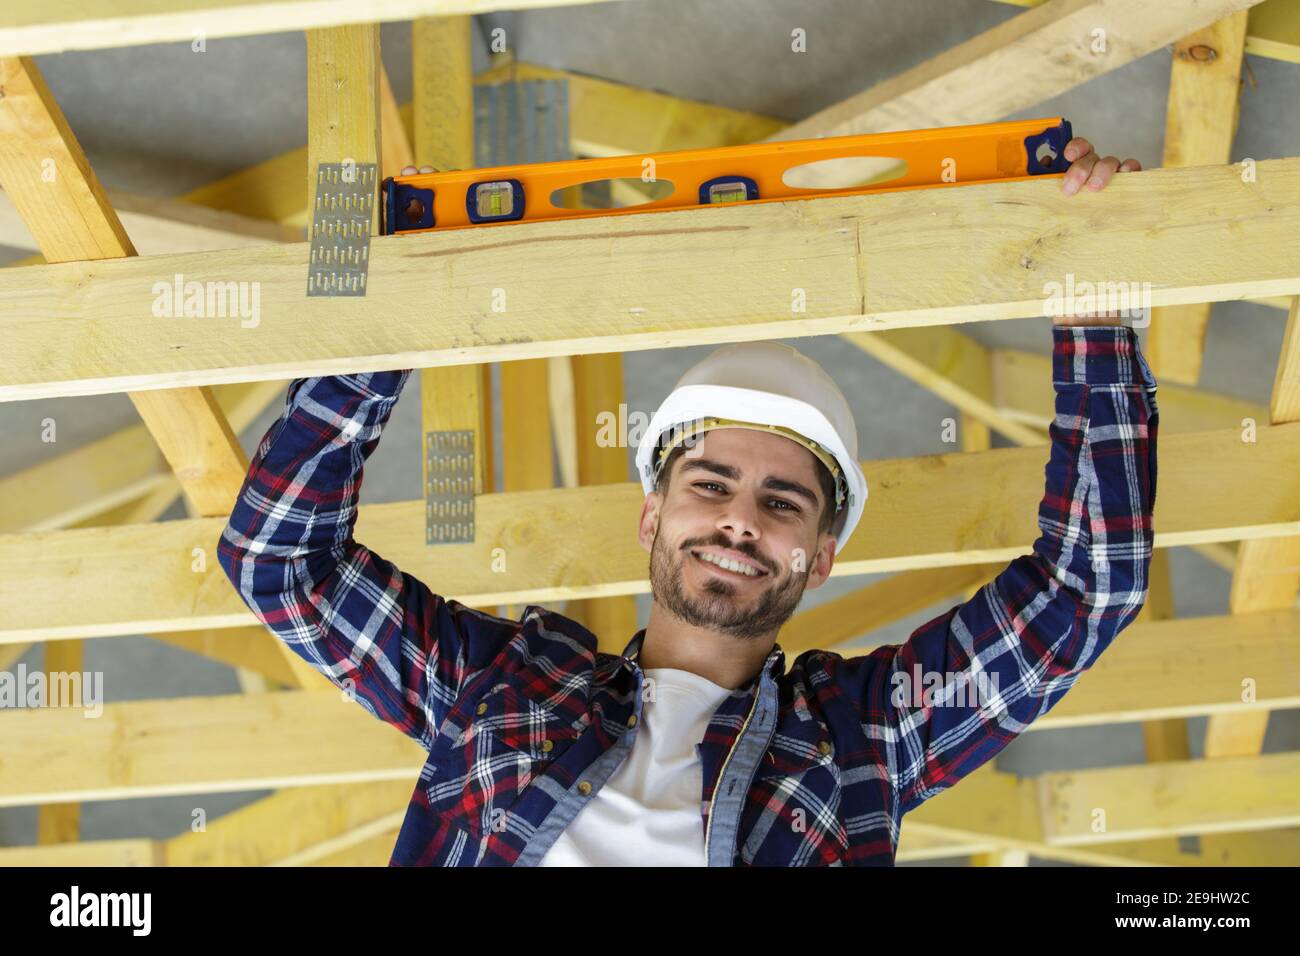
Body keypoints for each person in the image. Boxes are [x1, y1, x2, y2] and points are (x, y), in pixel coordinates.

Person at [218, 137, 1157, 866]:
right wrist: (391, 323)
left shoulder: (863, 736)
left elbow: (1087, 589)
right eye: (710, 486)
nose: (740, 519)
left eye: (783, 503)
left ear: (821, 555)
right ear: (651, 517)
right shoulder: (505, 690)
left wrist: (1093, 307)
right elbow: (278, 563)